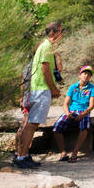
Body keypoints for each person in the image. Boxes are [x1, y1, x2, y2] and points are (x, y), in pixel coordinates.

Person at [14, 21, 63, 169]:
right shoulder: (47, 47)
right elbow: (45, 70)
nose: (63, 34)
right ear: (53, 33)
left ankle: (21, 155)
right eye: (61, 31)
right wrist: (53, 89)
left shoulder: (43, 46)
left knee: (27, 123)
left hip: (35, 89)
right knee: (32, 125)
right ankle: (22, 157)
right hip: (41, 89)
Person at [52, 66, 94, 162]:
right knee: (57, 127)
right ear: (79, 75)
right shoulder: (73, 87)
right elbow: (65, 103)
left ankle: (75, 152)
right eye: (84, 74)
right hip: (72, 110)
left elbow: (91, 105)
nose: (86, 76)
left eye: (89, 75)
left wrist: (83, 114)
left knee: (85, 126)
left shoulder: (92, 88)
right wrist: (67, 113)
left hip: (84, 111)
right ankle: (63, 152)